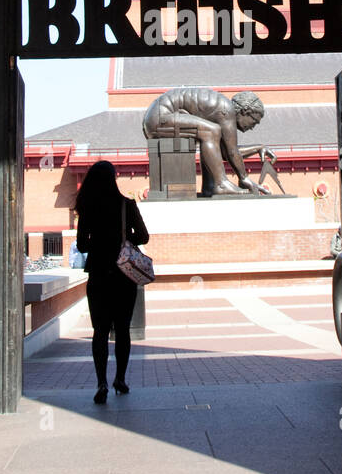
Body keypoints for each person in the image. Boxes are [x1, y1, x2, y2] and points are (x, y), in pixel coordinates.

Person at [74, 160, 150, 404]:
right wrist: (124, 238)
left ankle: (101, 382)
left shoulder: (87, 208)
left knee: (100, 331)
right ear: (114, 178)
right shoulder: (126, 205)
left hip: (98, 275)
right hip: (123, 276)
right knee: (123, 329)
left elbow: (82, 245)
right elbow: (144, 236)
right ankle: (120, 378)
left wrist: (99, 242)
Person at [141, 86, 266, 195]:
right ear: (246, 111)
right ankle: (221, 184)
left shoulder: (221, 107)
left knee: (209, 134)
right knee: (211, 131)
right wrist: (244, 178)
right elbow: (232, 152)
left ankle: (210, 186)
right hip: (159, 119)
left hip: (156, 118)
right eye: (254, 121)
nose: (252, 127)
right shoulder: (226, 110)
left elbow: (222, 153)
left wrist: (258, 148)